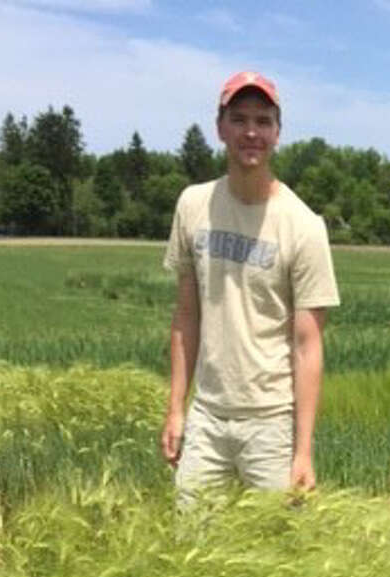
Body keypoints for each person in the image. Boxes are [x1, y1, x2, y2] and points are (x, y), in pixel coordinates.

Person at [161, 71, 340, 508]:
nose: (251, 132)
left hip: (271, 424)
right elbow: (186, 317)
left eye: (263, 121)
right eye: (239, 119)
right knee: (191, 548)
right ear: (220, 127)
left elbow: (307, 344)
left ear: (278, 133)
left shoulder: (303, 226)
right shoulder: (193, 205)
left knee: (280, 552)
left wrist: (303, 452)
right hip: (208, 415)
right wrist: (176, 408)